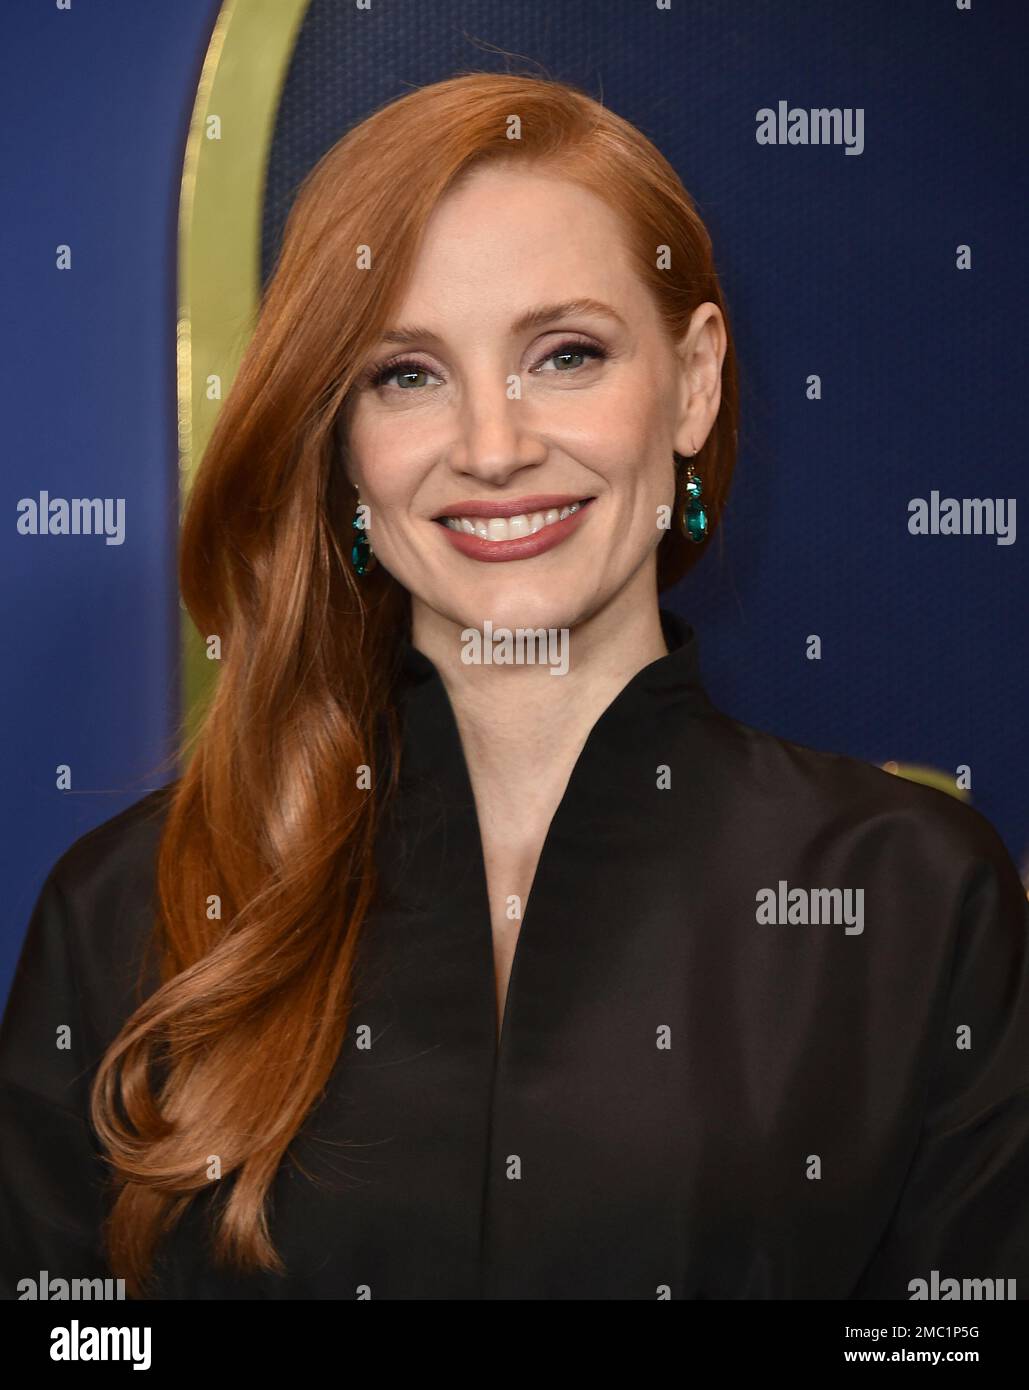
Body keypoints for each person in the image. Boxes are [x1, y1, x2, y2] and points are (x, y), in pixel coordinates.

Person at [2, 72, 1028, 1302]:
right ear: (342, 445)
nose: (493, 447)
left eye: (567, 354)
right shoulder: (130, 908)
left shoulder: (920, 898)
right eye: (407, 374)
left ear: (693, 384)